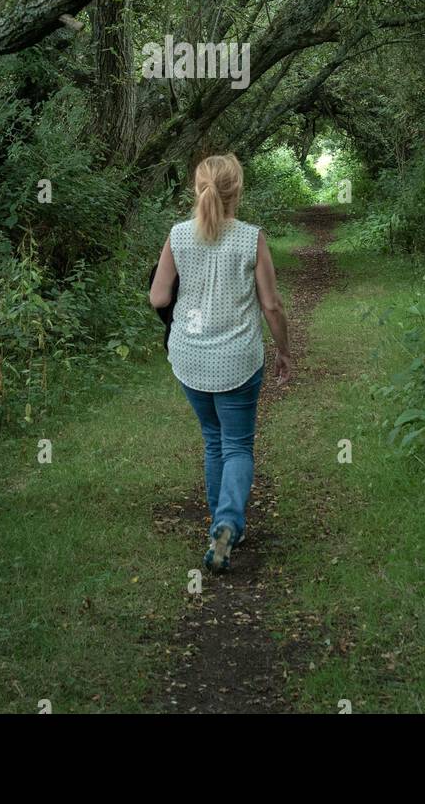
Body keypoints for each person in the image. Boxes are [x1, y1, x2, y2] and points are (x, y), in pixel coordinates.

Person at [149, 153, 293, 573]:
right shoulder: (251, 238)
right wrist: (284, 350)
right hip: (238, 360)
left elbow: (158, 297)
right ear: (238, 191)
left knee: (214, 441)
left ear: (198, 189)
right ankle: (227, 522)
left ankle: (220, 525)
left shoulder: (177, 235)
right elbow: (271, 305)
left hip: (189, 357)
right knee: (237, 445)